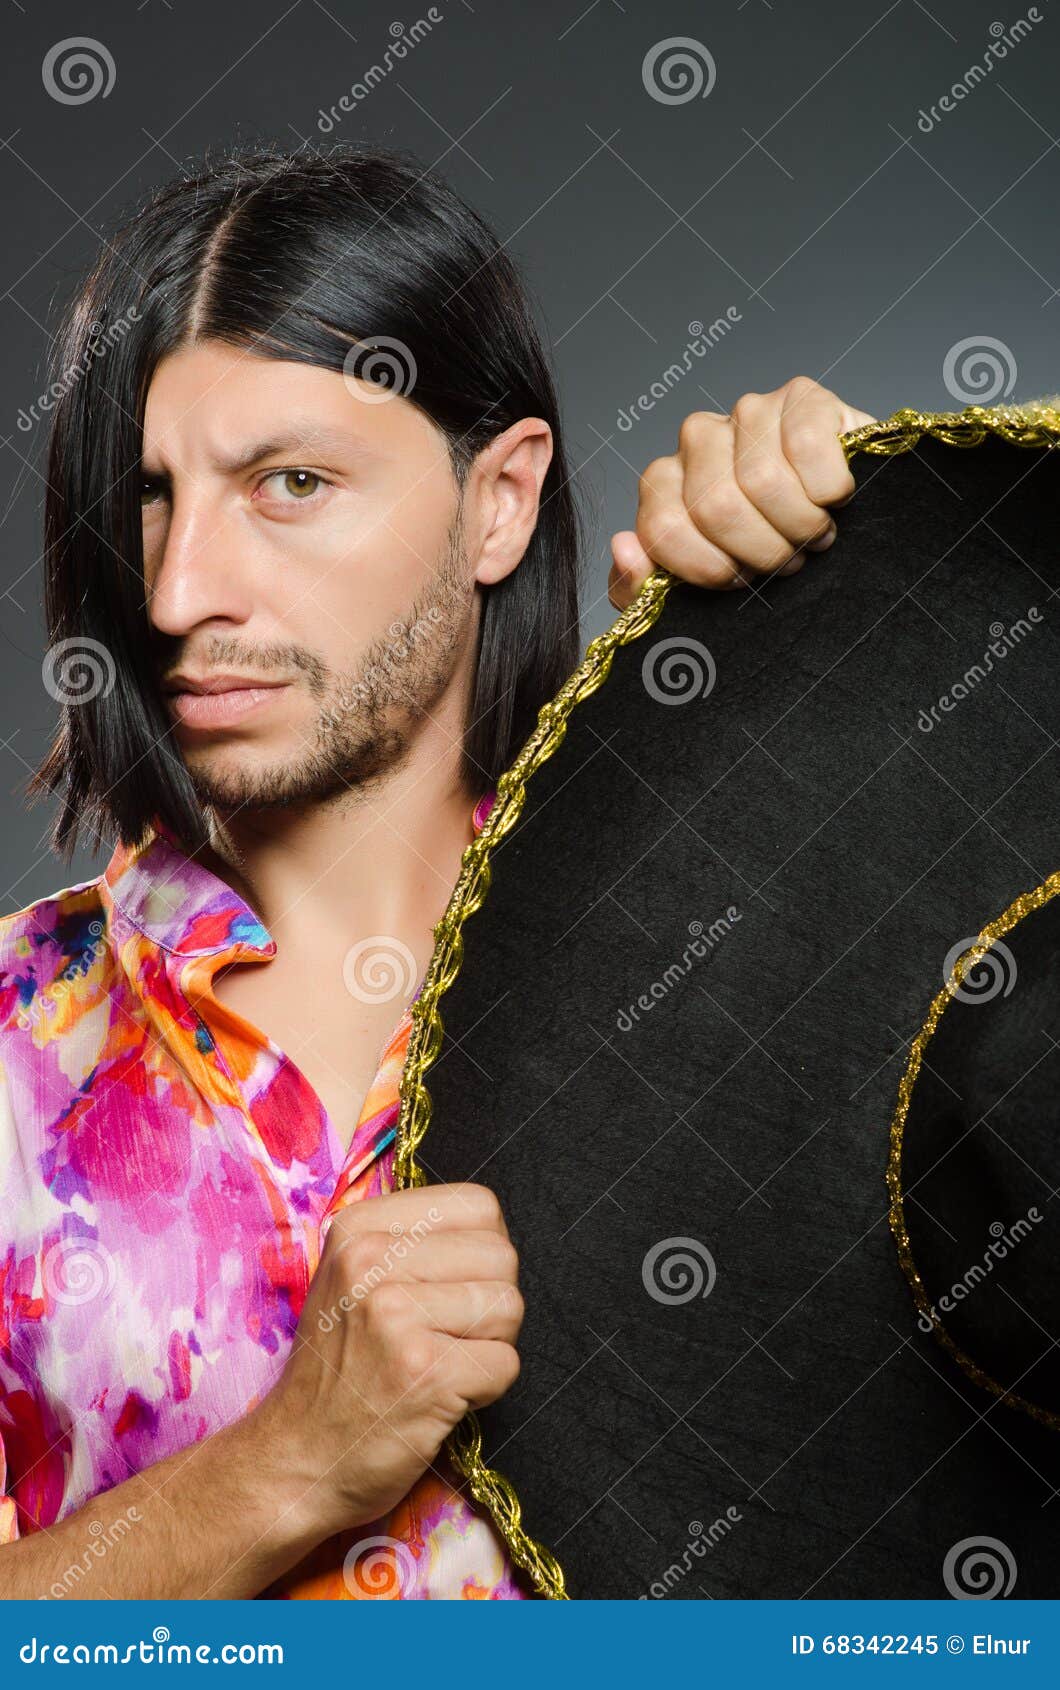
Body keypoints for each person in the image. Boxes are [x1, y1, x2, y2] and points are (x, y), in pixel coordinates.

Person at [0, 141, 876, 1600]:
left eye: (290, 480)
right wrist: (289, 1460)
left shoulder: (725, 976)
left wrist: (910, 576)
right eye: (154, 496)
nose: (177, 591)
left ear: (499, 502)